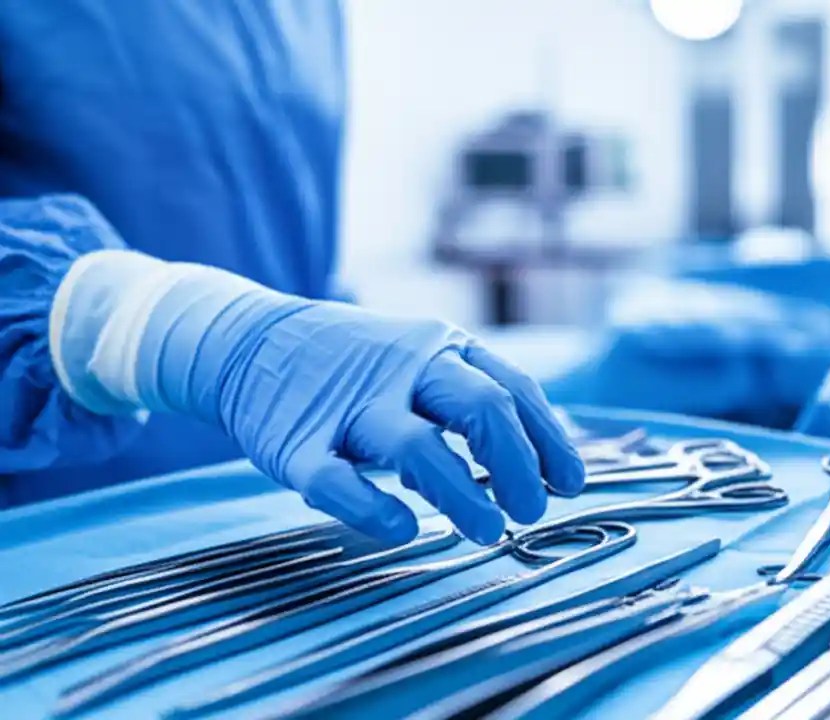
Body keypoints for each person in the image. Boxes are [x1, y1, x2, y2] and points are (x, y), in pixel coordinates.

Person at [0, 2, 584, 545]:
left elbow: (290, 262)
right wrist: (142, 326)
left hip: (278, 518)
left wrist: (554, 386)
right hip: (55, 542)